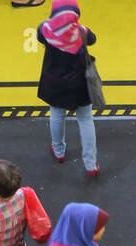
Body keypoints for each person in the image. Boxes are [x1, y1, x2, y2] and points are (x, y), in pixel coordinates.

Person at [37, 0, 99, 176]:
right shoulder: (81, 32)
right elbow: (93, 39)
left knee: (57, 115)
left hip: (54, 83)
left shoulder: (44, 29)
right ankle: (90, 164)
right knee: (85, 119)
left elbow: (40, 38)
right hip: (79, 83)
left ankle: (59, 152)